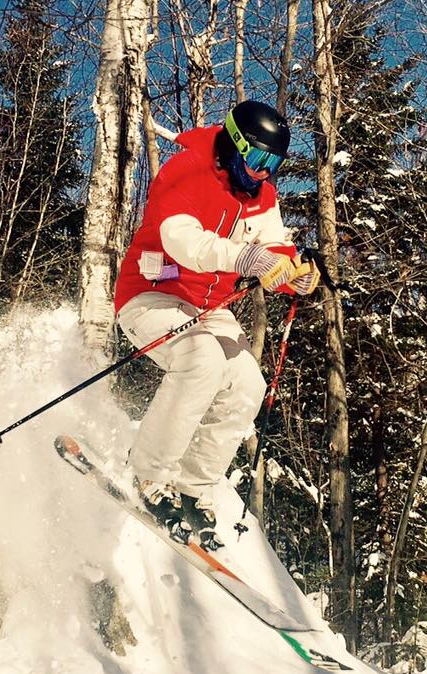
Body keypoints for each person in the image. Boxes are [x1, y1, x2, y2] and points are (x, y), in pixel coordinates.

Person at [113, 100, 319, 551]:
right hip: (152, 293)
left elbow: (274, 247)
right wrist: (245, 258)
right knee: (202, 359)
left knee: (248, 383)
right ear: (235, 143)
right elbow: (181, 240)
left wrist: (294, 276)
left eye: (275, 165)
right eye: (258, 159)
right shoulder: (186, 169)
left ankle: (194, 488)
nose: (264, 173)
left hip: (209, 307)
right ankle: (149, 473)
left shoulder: (261, 196)